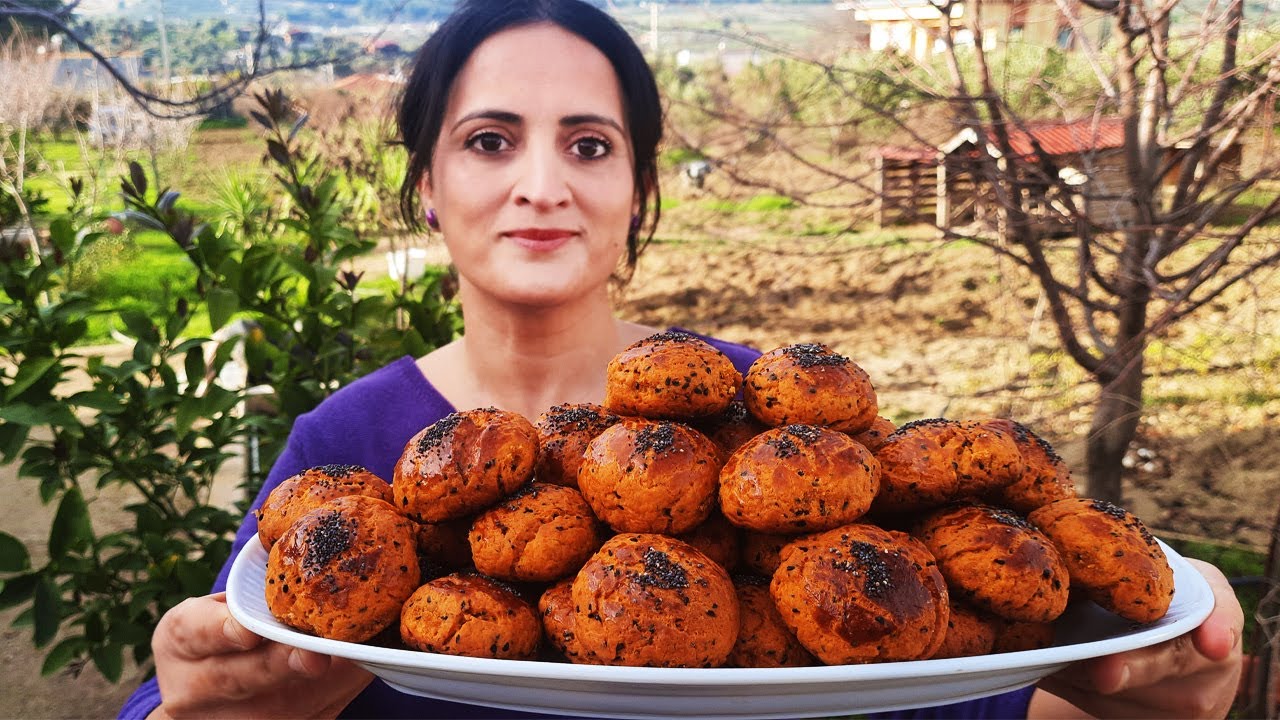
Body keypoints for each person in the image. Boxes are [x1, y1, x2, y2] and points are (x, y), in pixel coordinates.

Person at [120, 1, 1245, 718]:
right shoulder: (348, 454)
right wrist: (186, 710)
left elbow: (945, 680)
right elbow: (210, 668)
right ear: (425, 182)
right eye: (489, 138)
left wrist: (1153, 681)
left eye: (590, 144)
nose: (542, 183)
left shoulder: (773, 423)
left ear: (639, 187)